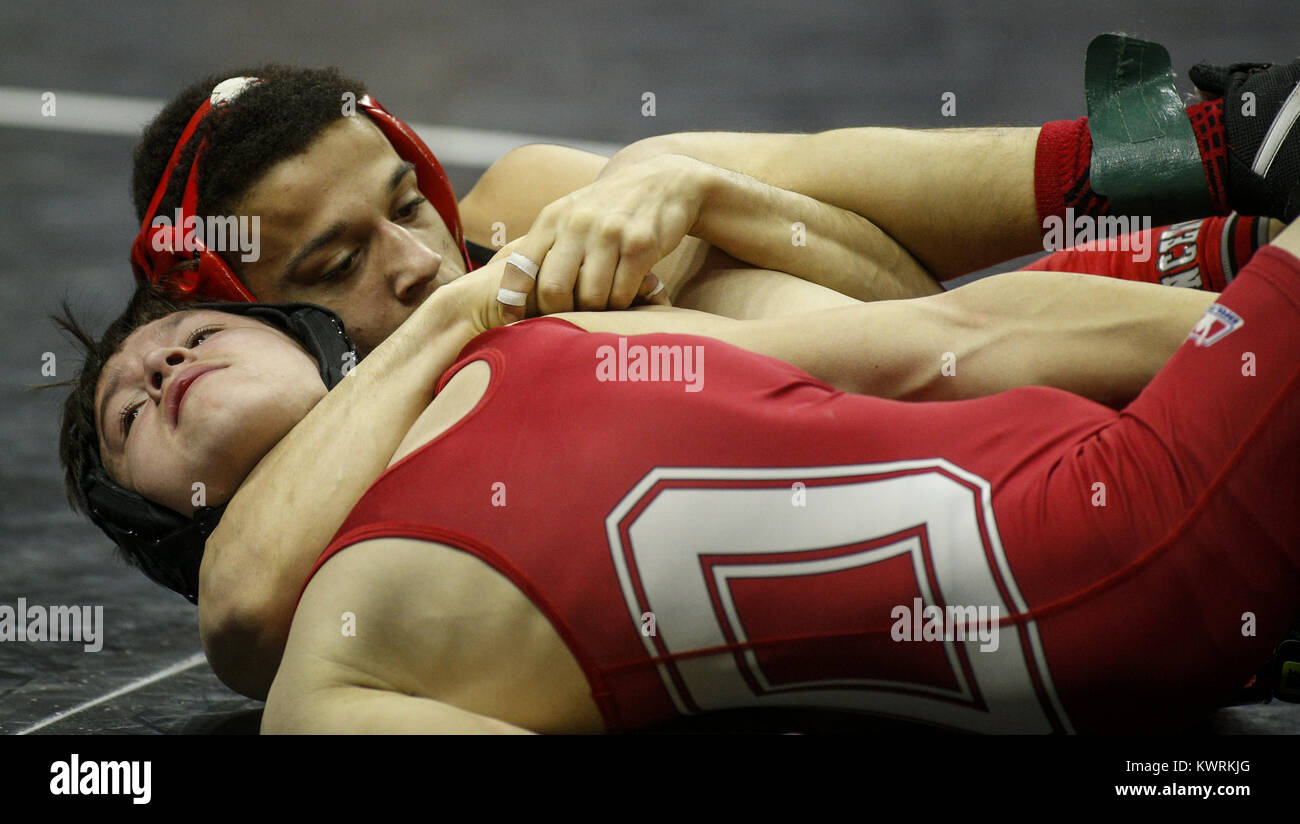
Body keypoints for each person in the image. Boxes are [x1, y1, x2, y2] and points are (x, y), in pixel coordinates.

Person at [60, 209, 1300, 730]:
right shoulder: (333, 665)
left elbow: (938, 346)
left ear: (307, 334)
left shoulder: (535, 345)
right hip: (1111, 545)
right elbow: (239, 605)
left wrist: (1231, 315)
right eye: (126, 417)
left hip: (1133, 461)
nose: (155, 368)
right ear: (173, 524)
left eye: (187, 335)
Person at [128, 50, 1300, 354]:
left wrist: (696, 197)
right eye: (334, 267)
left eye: (407, 205)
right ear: (249, 317)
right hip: (1057, 483)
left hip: (1020, 398)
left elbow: (904, 306)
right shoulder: (273, 448)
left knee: (666, 163)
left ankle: (1205, 172)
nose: (417, 261)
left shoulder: (513, 216)